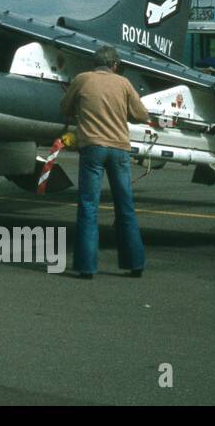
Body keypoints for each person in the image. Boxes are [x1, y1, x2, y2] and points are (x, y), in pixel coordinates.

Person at [60, 45, 151, 279]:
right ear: (115, 65)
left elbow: (65, 108)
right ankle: (135, 264)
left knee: (89, 207)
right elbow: (142, 115)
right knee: (125, 206)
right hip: (119, 149)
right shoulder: (123, 83)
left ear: (94, 63)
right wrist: (123, 113)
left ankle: (87, 267)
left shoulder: (82, 79)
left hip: (92, 147)